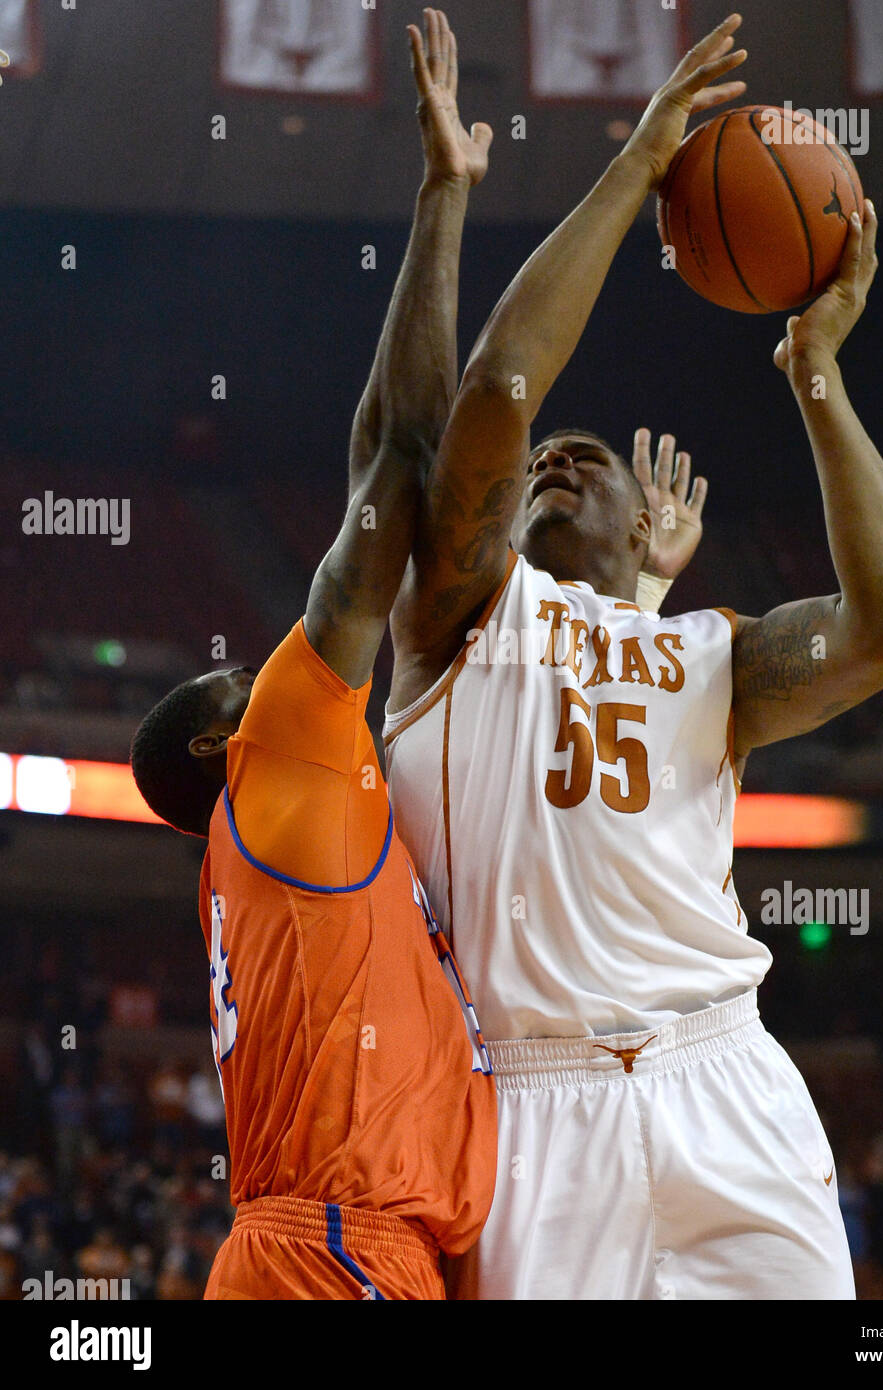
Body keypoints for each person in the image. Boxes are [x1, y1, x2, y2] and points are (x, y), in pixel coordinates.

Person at [384, 12, 883, 1299]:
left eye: (590, 457)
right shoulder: (456, 613)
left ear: (646, 520)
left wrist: (814, 376)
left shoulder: (712, 656)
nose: (551, 456)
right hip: (537, 1108)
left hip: (726, 1075)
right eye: (535, 466)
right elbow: (499, 387)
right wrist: (639, 163)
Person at [130, 10, 496, 1300]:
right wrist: (442, 202)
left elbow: (383, 484)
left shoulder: (277, 828)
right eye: (248, 675)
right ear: (226, 739)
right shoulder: (281, 750)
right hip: (333, 1247)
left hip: (324, 1245)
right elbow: (392, 468)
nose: (278, 659)